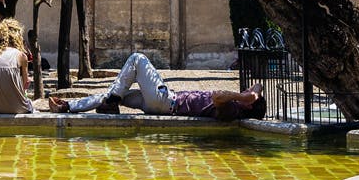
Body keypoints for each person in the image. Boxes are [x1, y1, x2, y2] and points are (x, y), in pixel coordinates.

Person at [47, 52, 264, 120]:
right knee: (115, 94)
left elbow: (217, 95)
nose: (246, 91)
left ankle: (113, 100)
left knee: (137, 58)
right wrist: (253, 94)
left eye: (247, 96)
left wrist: (243, 97)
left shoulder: (231, 108)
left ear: (247, 106)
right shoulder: (239, 106)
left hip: (166, 101)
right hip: (157, 105)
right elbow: (259, 85)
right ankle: (69, 106)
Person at [0, 18, 34, 115]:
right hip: (17, 108)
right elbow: (25, 84)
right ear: (17, 36)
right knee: (30, 104)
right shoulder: (21, 56)